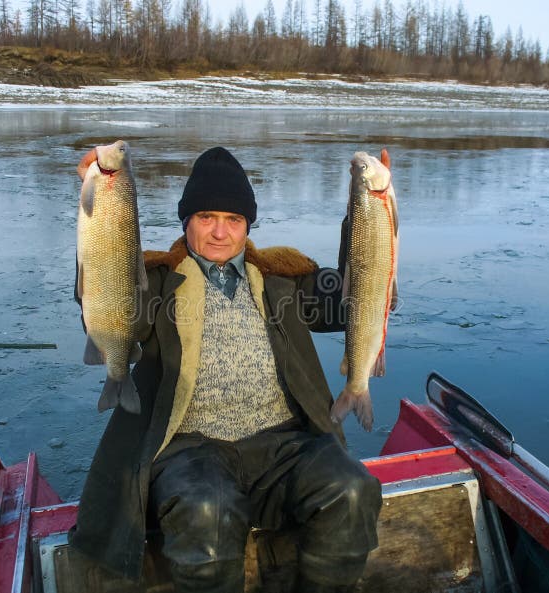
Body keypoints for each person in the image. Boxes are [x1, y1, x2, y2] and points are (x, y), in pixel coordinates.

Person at [69, 147, 382, 593]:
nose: (220, 232)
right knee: (206, 512)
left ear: (248, 225)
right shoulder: (155, 281)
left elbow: (362, 297)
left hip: (285, 444)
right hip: (191, 451)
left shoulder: (283, 277)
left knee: (351, 488)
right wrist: (99, 205)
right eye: (206, 217)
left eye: (233, 219)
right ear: (187, 221)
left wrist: (368, 212)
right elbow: (105, 294)